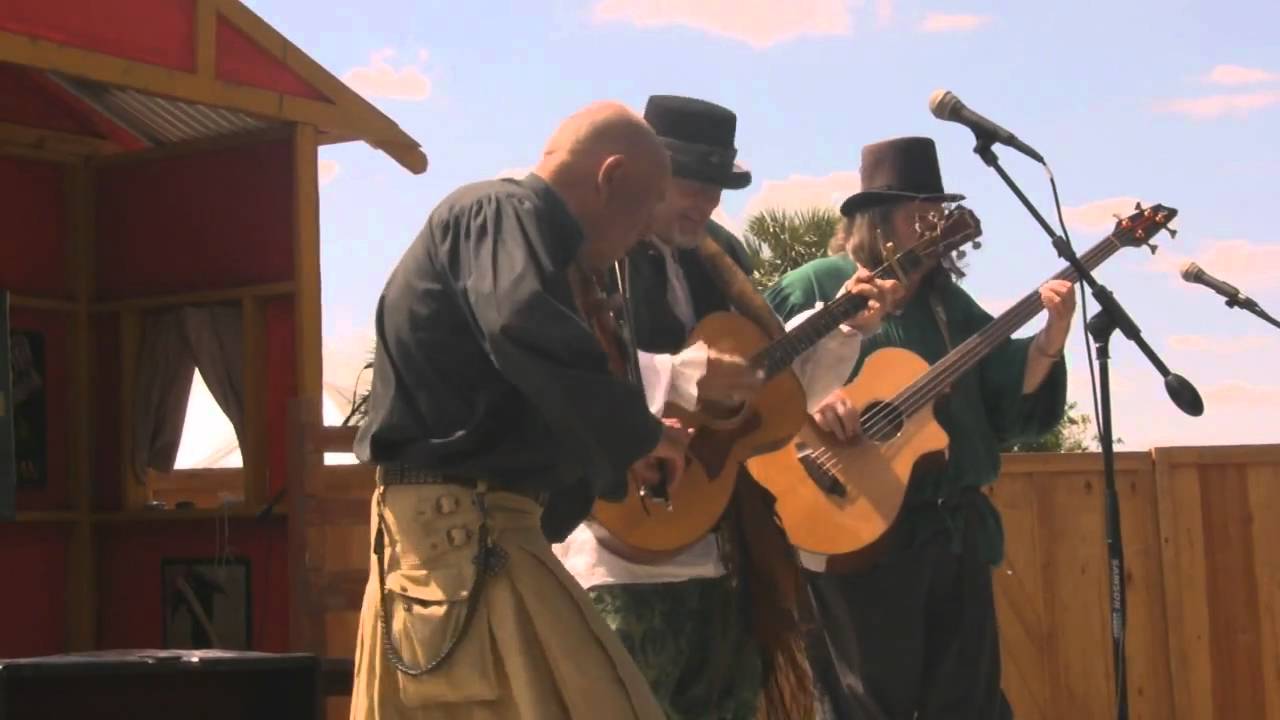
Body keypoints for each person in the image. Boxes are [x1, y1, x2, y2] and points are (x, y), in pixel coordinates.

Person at [349, 101, 716, 720]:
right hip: (467, 540)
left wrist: (614, 453)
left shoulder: (528, 246)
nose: (648, 226)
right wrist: (641, 433)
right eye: (648, 201)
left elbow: (520, 383)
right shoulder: (495, 210)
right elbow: (521, 323)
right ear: (610, 177)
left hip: (462, 541)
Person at [552, 95, 900, 720]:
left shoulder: (722, 261)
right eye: (692, 185)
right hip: (617, 553)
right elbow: (565, 368)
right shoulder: (591, 257)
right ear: (643, 176)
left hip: (719, 553)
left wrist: (843, 327)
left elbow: (777, 397)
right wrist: (678, 385)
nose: (707, 203)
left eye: (717, 188)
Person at [765, 136, 1074, 720]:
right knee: (867, 704)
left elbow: (1002, 397)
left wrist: (1048, 345)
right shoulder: (816, 285)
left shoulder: (946, 305)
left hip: (951, 531)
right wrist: (813, 405)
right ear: (878, 221)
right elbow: (756, 382)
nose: (933, 225)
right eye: (919, 215)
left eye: (939, 214)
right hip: (853, 529)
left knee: (968, 705)